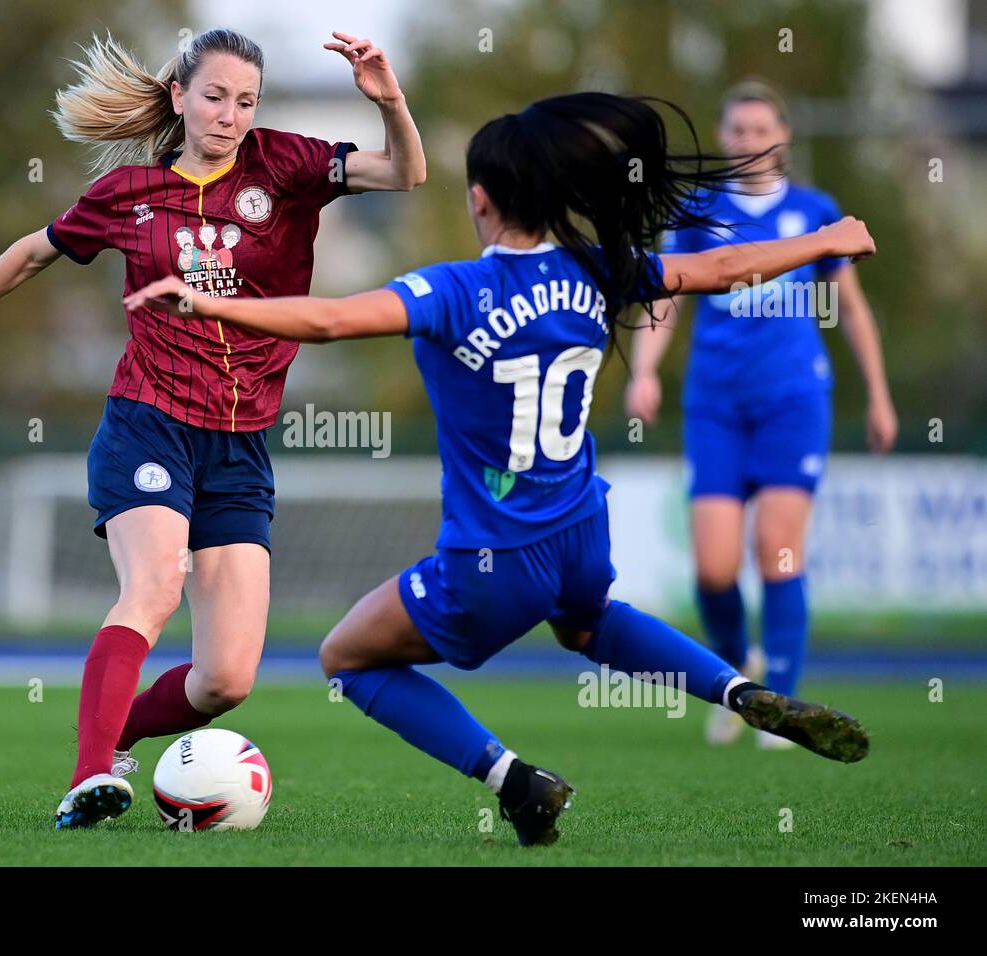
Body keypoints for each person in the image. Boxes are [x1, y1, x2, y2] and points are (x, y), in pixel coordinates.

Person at [124, 92, 876, 847]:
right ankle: (738, 690)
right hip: (582, 533)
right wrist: (825, 239)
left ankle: (513, 780)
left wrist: (208, 305)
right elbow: (722, 267)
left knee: (347, 657)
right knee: (589, 624)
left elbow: (328, 320)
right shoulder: (601, 269)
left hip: (495, 556)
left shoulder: (451, 290)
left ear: (480, 199)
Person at [0, 27, 427, 828]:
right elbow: (33, 251)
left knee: (227, 680)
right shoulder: (129, 195)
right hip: (148, 423)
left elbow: (408, 172)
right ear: (179, 96)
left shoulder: (287, 165)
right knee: (155, 584)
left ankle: (114, 729)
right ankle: (90, 774)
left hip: (239, 446)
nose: (230, 115)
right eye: (215, 96)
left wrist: (389, 100)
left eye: (245, 101)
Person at [622, 80, 897, 748]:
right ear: (723, 138)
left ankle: (786, 705)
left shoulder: (815, 210)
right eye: (737, 131)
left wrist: (880, 393)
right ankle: (739, 678)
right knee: (714, 570)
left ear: (784, 136)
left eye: (760, 129)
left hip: (792, 401)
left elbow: (852, 308)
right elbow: (667, 298)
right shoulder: (698, 210)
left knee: (777, 557)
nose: (749, 141)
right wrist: (646, 369)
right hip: (715, 403)